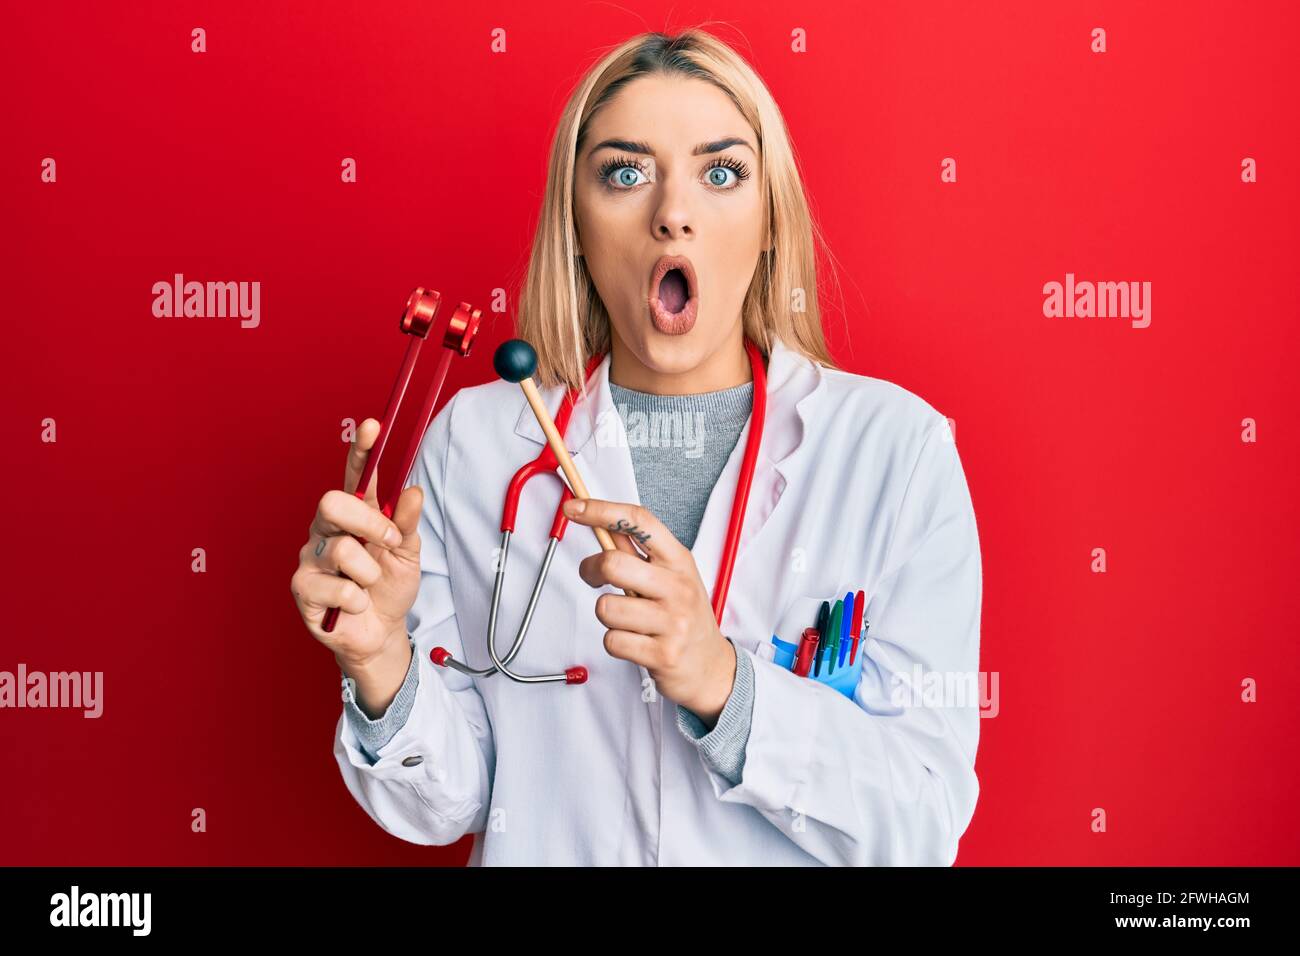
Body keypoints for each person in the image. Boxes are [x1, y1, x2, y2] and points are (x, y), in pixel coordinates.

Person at [290, 28, 983, 866]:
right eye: (625, 173)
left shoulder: (897, 454)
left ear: (769, 223)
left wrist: (721, 683)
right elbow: (453, 802)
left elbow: (924, 821)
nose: (672, 214)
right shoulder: (476, 444)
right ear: (576, 224)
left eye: (721, 172)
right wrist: (381, 660)